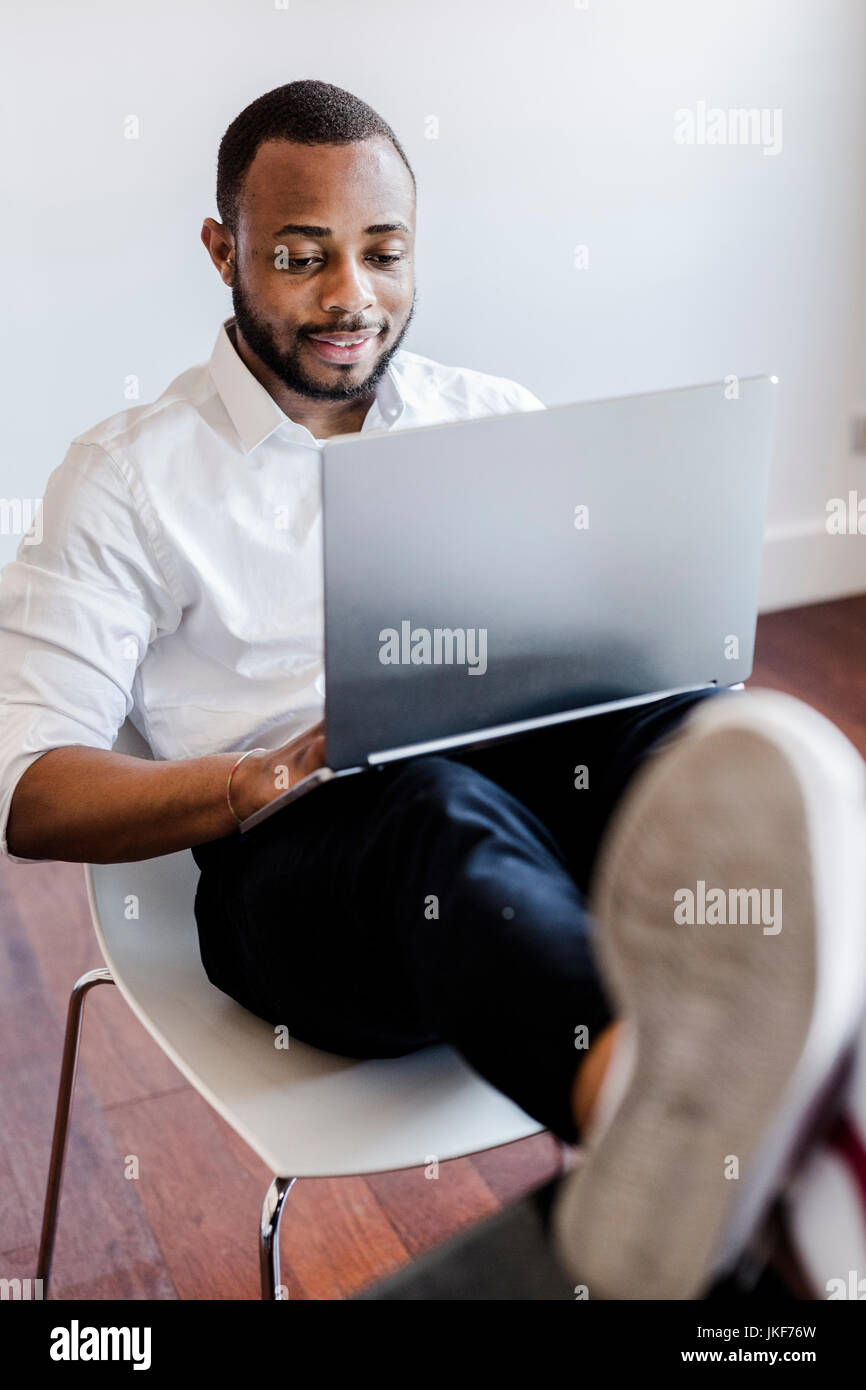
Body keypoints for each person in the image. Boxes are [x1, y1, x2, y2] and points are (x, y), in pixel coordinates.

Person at [1, 79, 863, 1301]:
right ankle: (651, 1130)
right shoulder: (129, 479)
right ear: (222, 249)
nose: (351, 295)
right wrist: (266, 774)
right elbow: (31, 791)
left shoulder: (484, 417)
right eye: (301, 257)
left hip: (507, 816)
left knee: (688, 725)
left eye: (383, 252)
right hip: (302, 870)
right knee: (430, 811)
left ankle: (814, 1035)